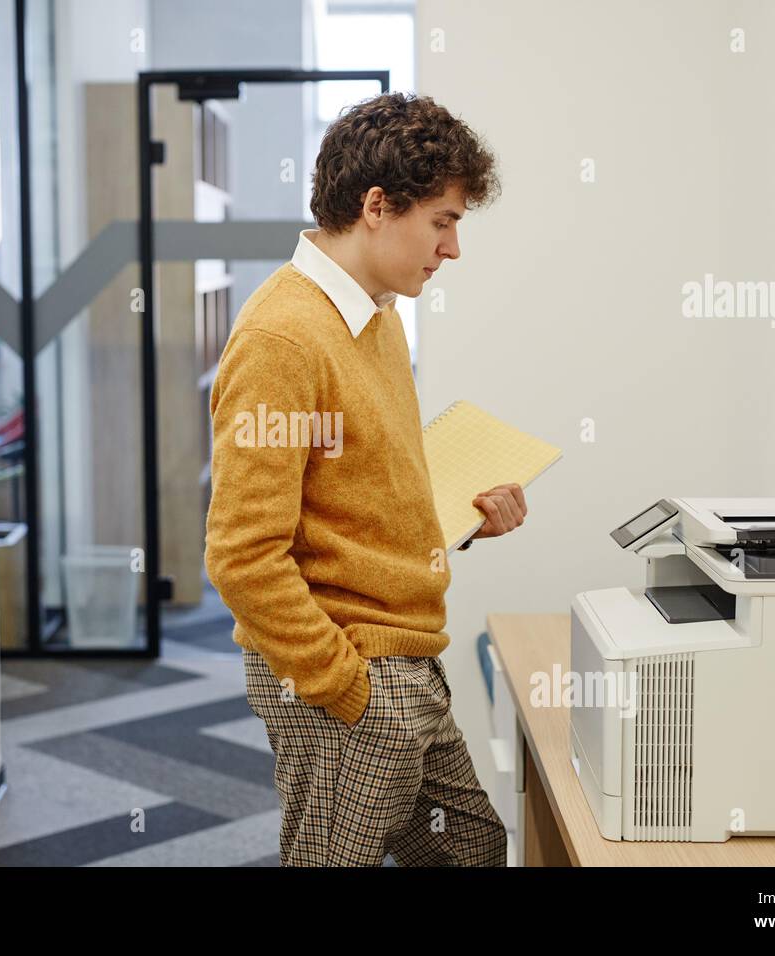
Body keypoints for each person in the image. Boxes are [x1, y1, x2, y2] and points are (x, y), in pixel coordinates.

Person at [204, 91, 525, 866]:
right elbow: (241, 556)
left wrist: (463, 520)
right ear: (378, 206)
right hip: (348, 664)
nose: (452, 249)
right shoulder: (284, 336)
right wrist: (349, 690)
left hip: (404, 653)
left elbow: (356, 494)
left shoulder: (373, 316)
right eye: (443, 221)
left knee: (470, 849)